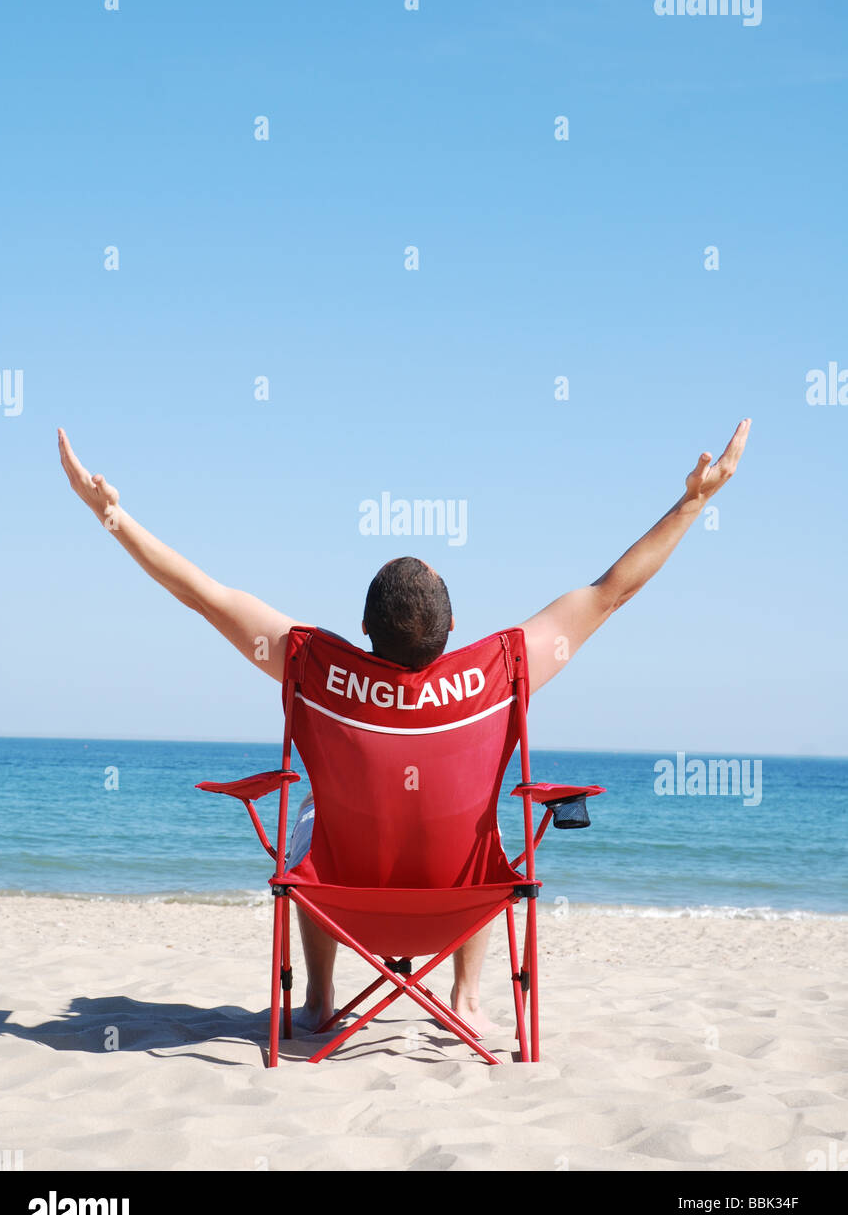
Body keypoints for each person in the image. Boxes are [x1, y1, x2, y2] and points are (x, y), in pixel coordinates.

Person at [58, 418, 751, 1036]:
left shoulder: (314, 666)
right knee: (487, 822)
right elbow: (611, 592)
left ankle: (320, 1001)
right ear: (453, 628)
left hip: (338, 903)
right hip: (459, 904)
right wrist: (694, 501)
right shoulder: (501, 668)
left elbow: (204, 597)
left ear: (363, 629)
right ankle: (469, 998)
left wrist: (113, 517)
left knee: (308, 813)